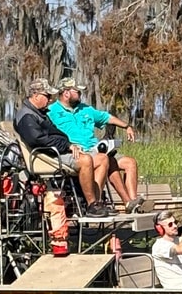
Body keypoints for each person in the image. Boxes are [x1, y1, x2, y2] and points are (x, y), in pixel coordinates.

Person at [12, 78, 111, 217]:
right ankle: (90, 205)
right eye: (47, 96)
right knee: (86, 160)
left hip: (56, 151)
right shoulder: (27, 117)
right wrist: (67, 146)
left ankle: (96, 202)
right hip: (47, 156)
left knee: (102, 159)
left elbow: (54, 134)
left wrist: (70, 144)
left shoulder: (39, 113)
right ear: (36, 95)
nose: (50, 100)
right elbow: (39, 141)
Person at [48, 77, 145, 213]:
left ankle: (133, 203)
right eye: (78, 92)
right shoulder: (51, 111)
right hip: (77, 153)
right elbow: (47, 135)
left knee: (130, 163)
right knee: (105, 159)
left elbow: (107, 117)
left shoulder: (86, 109)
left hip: (95, 149)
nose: (81, 94)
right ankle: (98, 203)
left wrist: (127, 126)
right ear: (66, 93)